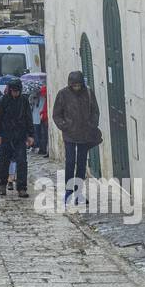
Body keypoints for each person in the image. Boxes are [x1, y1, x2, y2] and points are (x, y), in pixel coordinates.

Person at [52, 71, 101, 206]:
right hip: (70, 134)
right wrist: (65, 125)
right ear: (70, 84)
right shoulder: (63, 94)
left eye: (79, 85)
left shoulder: (89, 93)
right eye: (74, 85)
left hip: (85, 134)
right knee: (70, 161)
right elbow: (56, 114)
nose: (77, 88)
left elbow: (95, 111)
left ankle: (78, 192)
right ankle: (68, 190)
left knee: (81, 164)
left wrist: (92, 124)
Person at [0, 77, 32, 198]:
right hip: (6, 136)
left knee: (21, 162)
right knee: (4, 162)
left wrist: (31, 135)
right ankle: (3, 185)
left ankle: (21, 187)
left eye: (17, 90)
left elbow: (28, 118)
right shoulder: (2, 101)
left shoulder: (24, 101)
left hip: (20, 136)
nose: (15, 93)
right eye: (13, 90)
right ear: (10, 90)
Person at [32, 83, 49, 156]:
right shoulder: (34, 98)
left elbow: (45, 109)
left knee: (43, 135)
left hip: (44, 119)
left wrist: (42, 113)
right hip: (39, 118)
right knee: (41, 135)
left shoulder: (46, 99)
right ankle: (42, 149)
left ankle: (43, 149)